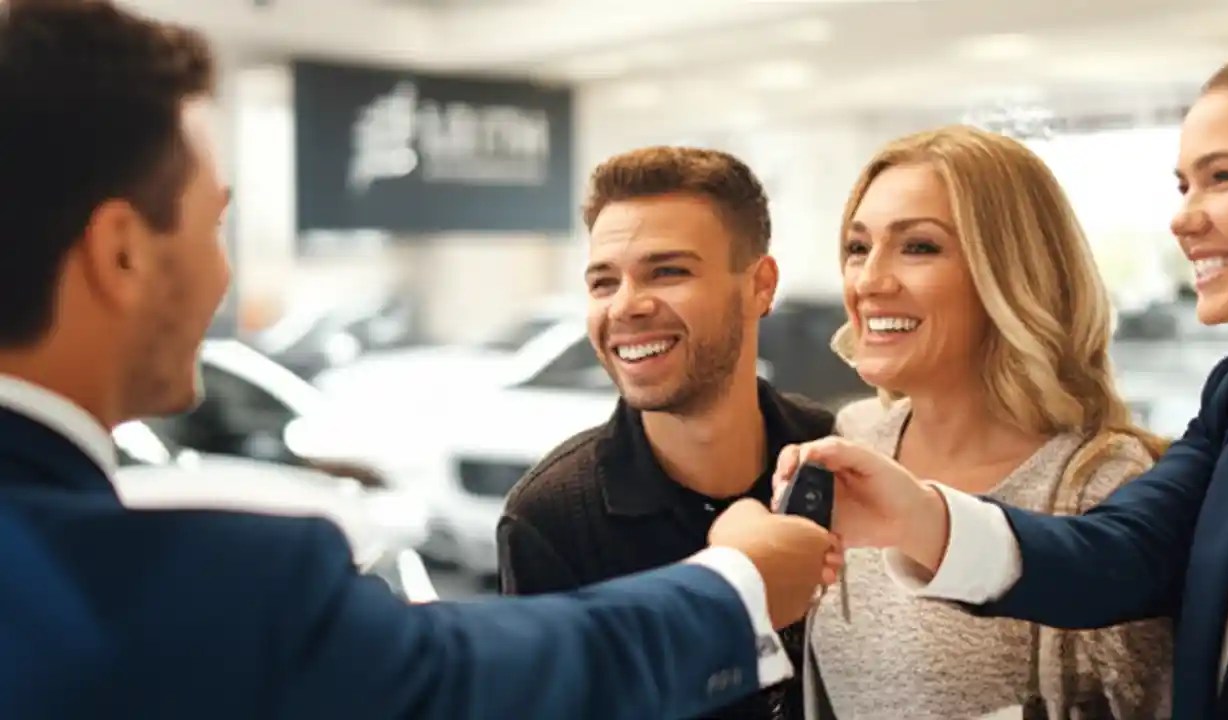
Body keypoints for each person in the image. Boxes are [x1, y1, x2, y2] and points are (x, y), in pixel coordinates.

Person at [0, 3, 840, 719]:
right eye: (210, 224)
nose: (224, 272)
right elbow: (464, 676)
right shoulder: (208, 590)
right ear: (121, 255)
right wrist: (736, 585)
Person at [774, 44, 1228, 720]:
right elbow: (1116, 557)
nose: (1183, 219)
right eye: (1183, 185)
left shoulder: (1101, 470)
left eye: (1222, 177)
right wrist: (921, 518)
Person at [804, 125, 1174, 719]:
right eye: (857, 247)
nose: (869, 280)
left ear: (1009, 272)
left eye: (918, 247)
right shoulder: (853, 443)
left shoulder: (1101, 485)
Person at [497, 146, 836, 719]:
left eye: (668, 271)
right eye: (604, 283)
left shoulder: (837, 458)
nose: (626, 305)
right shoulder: (551, 519)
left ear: (760, 286)